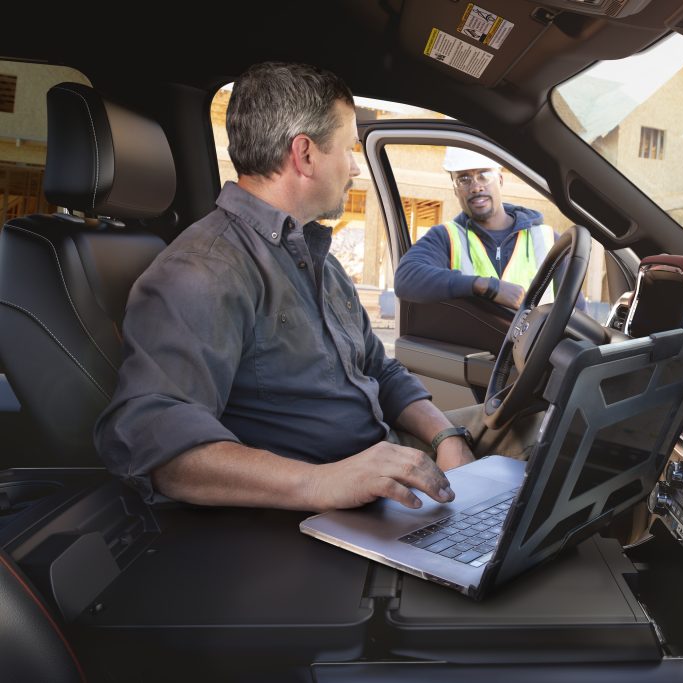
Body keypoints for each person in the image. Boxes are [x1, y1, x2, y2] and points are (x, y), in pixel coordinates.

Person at [94, 62, 476, 513]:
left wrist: (444, 435)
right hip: (313, 511)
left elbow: (379, 369)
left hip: (380, 473)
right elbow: (155, 439)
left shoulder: (317, 260)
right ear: (305, 155)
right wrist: (321, 483)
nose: (355, 167)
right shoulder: (202, 270)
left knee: (523, 437)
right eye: (349, 148)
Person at [393, 147, 555, 309]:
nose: (476, 187)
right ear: (455, 190)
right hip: (472, 334)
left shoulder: (547, 239)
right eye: (464, 179)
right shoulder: (446, 237)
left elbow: (576, 308)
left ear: (500, 180)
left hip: (537, 335)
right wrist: (485, 286)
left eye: (484, 176)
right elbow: (406, 278)